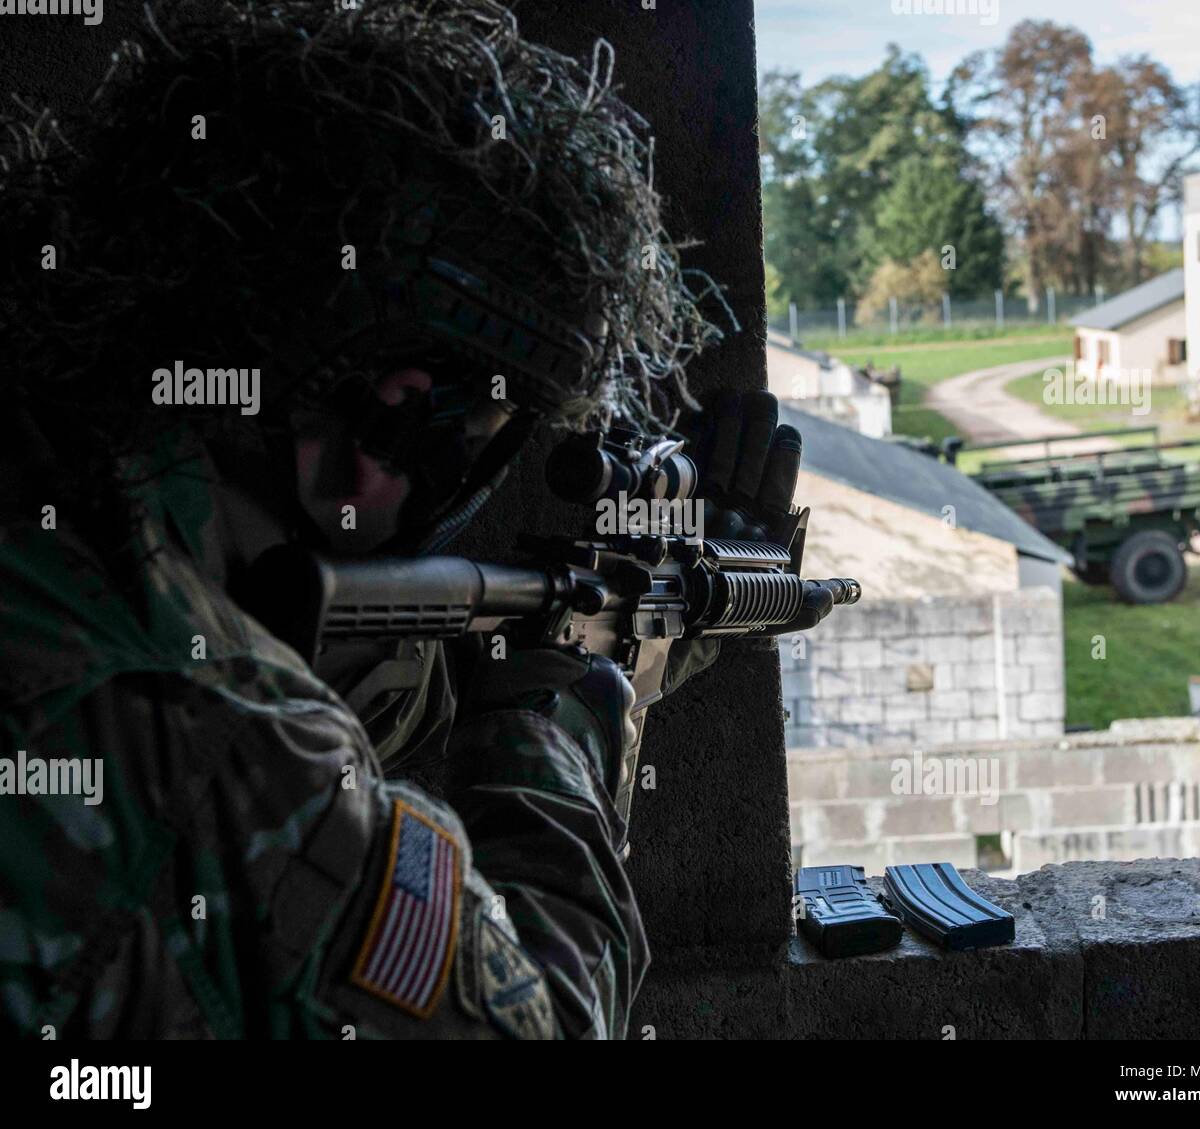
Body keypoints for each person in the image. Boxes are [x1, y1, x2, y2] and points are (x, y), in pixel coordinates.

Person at [0, 0, 800, 1039]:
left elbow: (363, 665)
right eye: (480, 437)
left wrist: (634, 638)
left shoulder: (71, 496)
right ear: (387, 431)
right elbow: (541, 1025)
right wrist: (550, 746)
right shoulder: (210, 724)